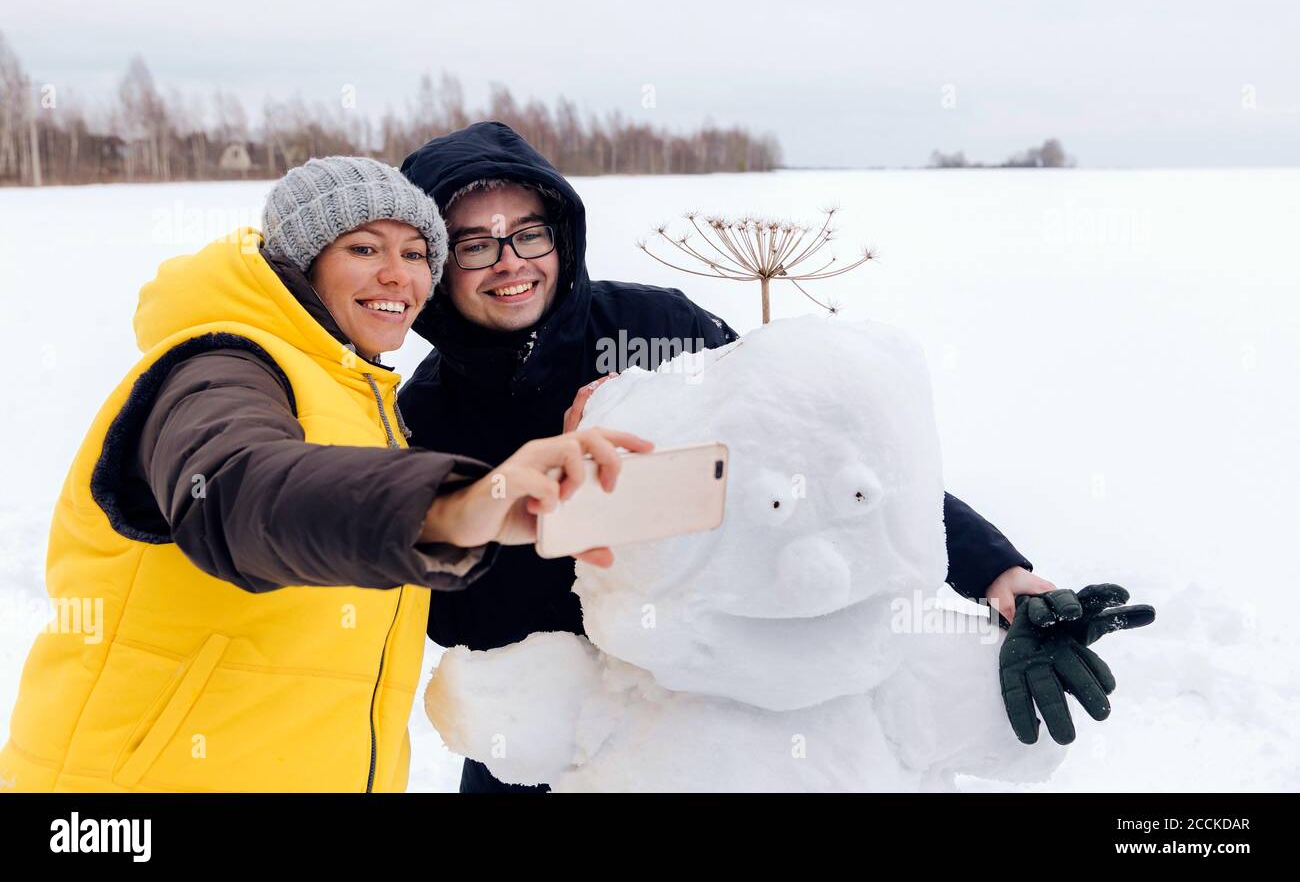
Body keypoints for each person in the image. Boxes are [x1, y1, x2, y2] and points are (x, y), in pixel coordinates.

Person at [397, 122, 1060, 792]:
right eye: (475, 246)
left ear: (559, 234)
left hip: (704, 711)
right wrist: (576, 517)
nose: (511, 263)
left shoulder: (655, 332)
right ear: (436, 265)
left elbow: (820, 459)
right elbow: (451, 617)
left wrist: (996, 568)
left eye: (528, 234)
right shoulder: (423, 415)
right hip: (538, 724)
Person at [0, 156, 650, 793]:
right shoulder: (222, 365)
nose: (398, 276)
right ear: (301, 261)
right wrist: (448, 507)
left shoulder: (361, 398)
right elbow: (239, 489)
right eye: (365, 249)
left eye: (417, 254)